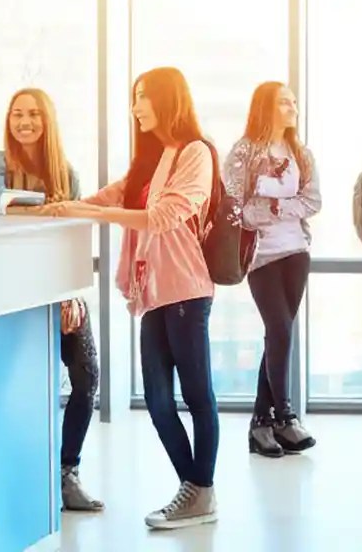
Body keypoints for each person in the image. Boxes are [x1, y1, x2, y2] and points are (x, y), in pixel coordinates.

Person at [45, 66, 219, 530]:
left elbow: (162, 216)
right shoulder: (149, 161)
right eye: (134, 97)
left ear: (167, 100)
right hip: (152, 294)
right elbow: (109, 196)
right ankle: (195, 490)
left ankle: (200, 490)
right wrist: (59, 208)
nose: (135, 106)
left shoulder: (194, 153)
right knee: (160, 402)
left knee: (198, 396)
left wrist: (89, 212)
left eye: (142, 96)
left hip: (185, 289)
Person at [0, 88, 102, 512]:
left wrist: (69, 294)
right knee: (16, 384)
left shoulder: (66, 173)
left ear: (47, 120)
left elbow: (70, 238)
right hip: (14, 292)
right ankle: (16, 473)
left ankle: (66, 472)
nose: (25, 121)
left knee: (87, 377)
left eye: (34, 114)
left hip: (59, 288)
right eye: (17, 113)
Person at [222, 81, 321, 457]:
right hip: (261, 256)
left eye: (294, 101)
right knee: (278, 330)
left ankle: (260, 425)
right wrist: (279, 205)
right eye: (284, 102)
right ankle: (285, 417)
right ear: (266, 107)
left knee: (278, 336)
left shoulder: (300, 152)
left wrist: (275, 206)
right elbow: (237, 207)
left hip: (296, 252)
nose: (292, 107)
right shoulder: (243, 152)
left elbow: (313, 201)